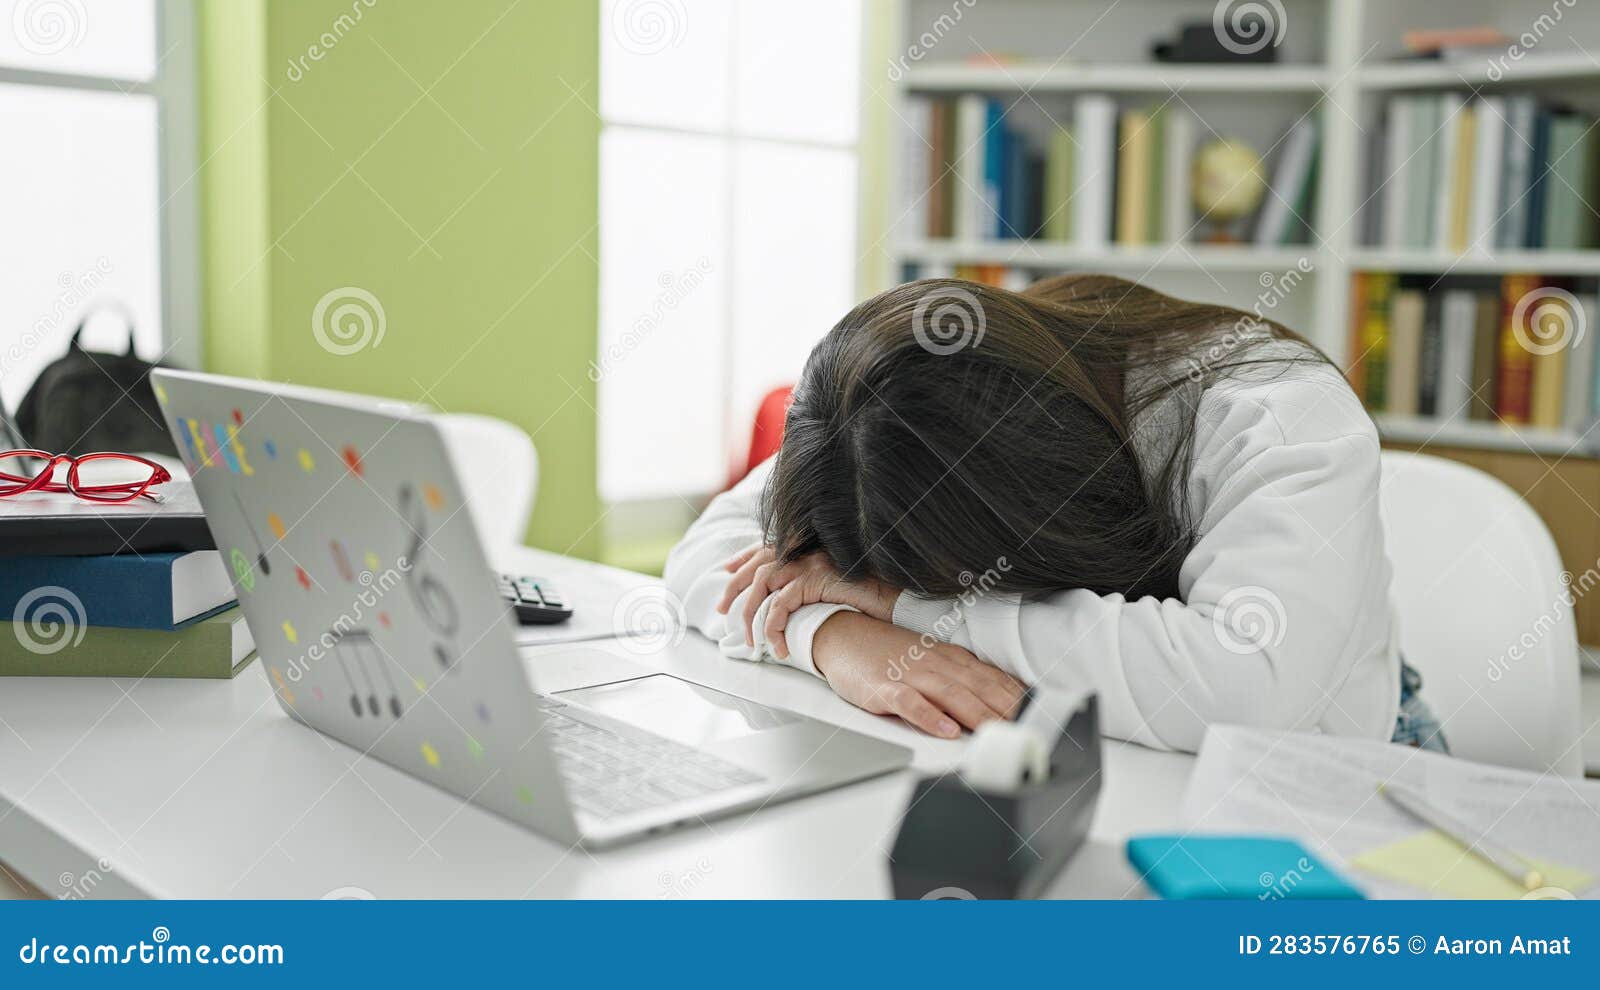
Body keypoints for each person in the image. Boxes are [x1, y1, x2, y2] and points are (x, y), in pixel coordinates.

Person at [663, 274, 1445, 753]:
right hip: (1098, 756)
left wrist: (892, 606)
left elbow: (1245, 686)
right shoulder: (880, 415)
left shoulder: (1282, 411)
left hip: (1339, 779)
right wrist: (831, 637)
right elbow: (708, 558)